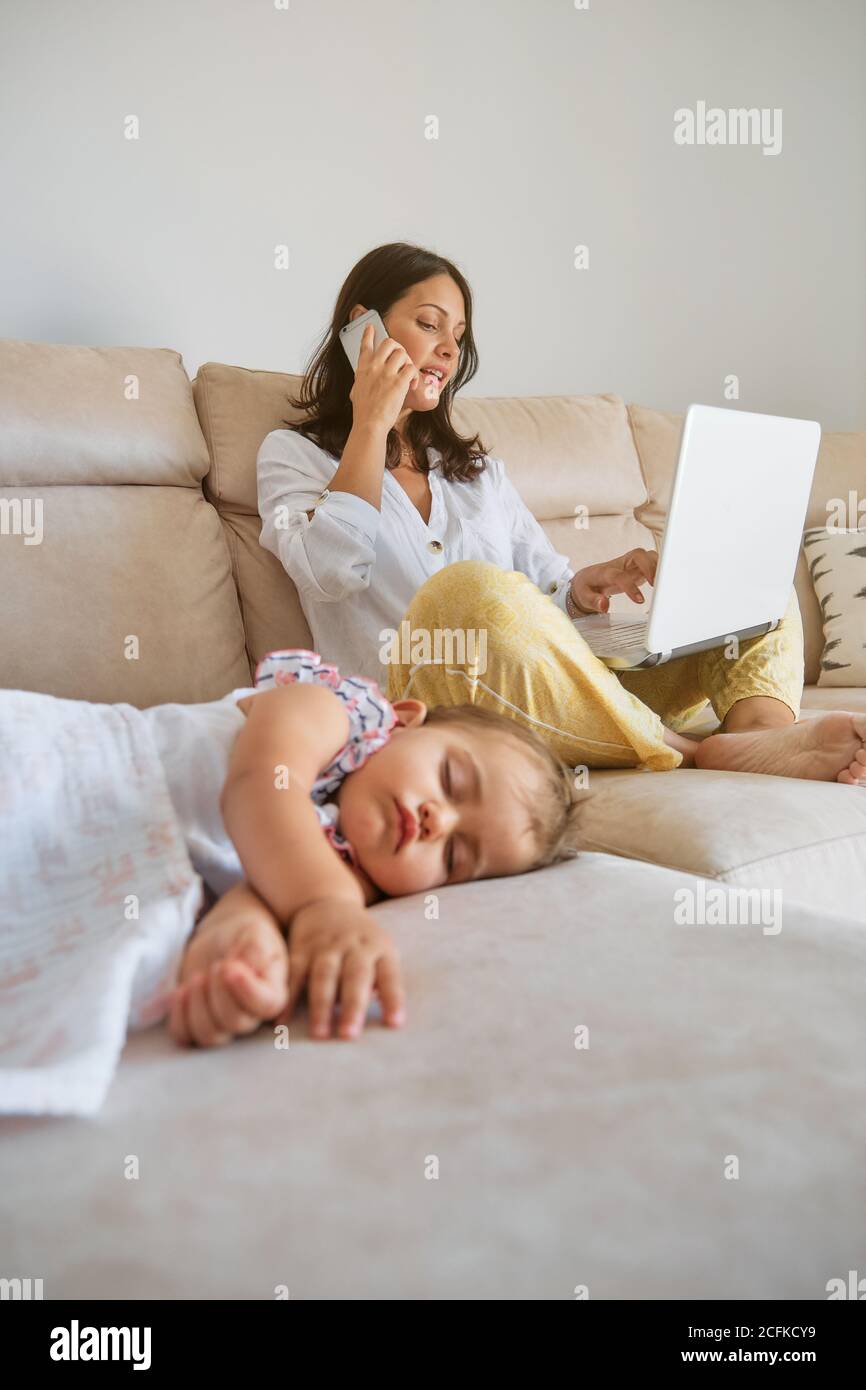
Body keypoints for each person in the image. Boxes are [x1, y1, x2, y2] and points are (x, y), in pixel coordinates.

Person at [256, 242, 866, 785]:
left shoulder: (473, 471)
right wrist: (370, 423)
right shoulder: (294, 457)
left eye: (458, 334)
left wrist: (578, 589)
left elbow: (540, 587)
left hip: (551, 686)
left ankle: (755, 737)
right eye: (428, 324)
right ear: (362, 329)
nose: (448, 347)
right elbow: (331, 571)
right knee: (465, 593)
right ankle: (677, 748)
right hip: (428, 702)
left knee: (751, 585)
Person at [160, 650, 581, 1049]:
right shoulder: (329, 712)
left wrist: (237, 945)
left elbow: (266, 888)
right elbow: (261, 786)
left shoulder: (351, 875)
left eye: (454, 857)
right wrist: (324, 904)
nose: (439, 822)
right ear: (401, 720)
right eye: (450, 779)